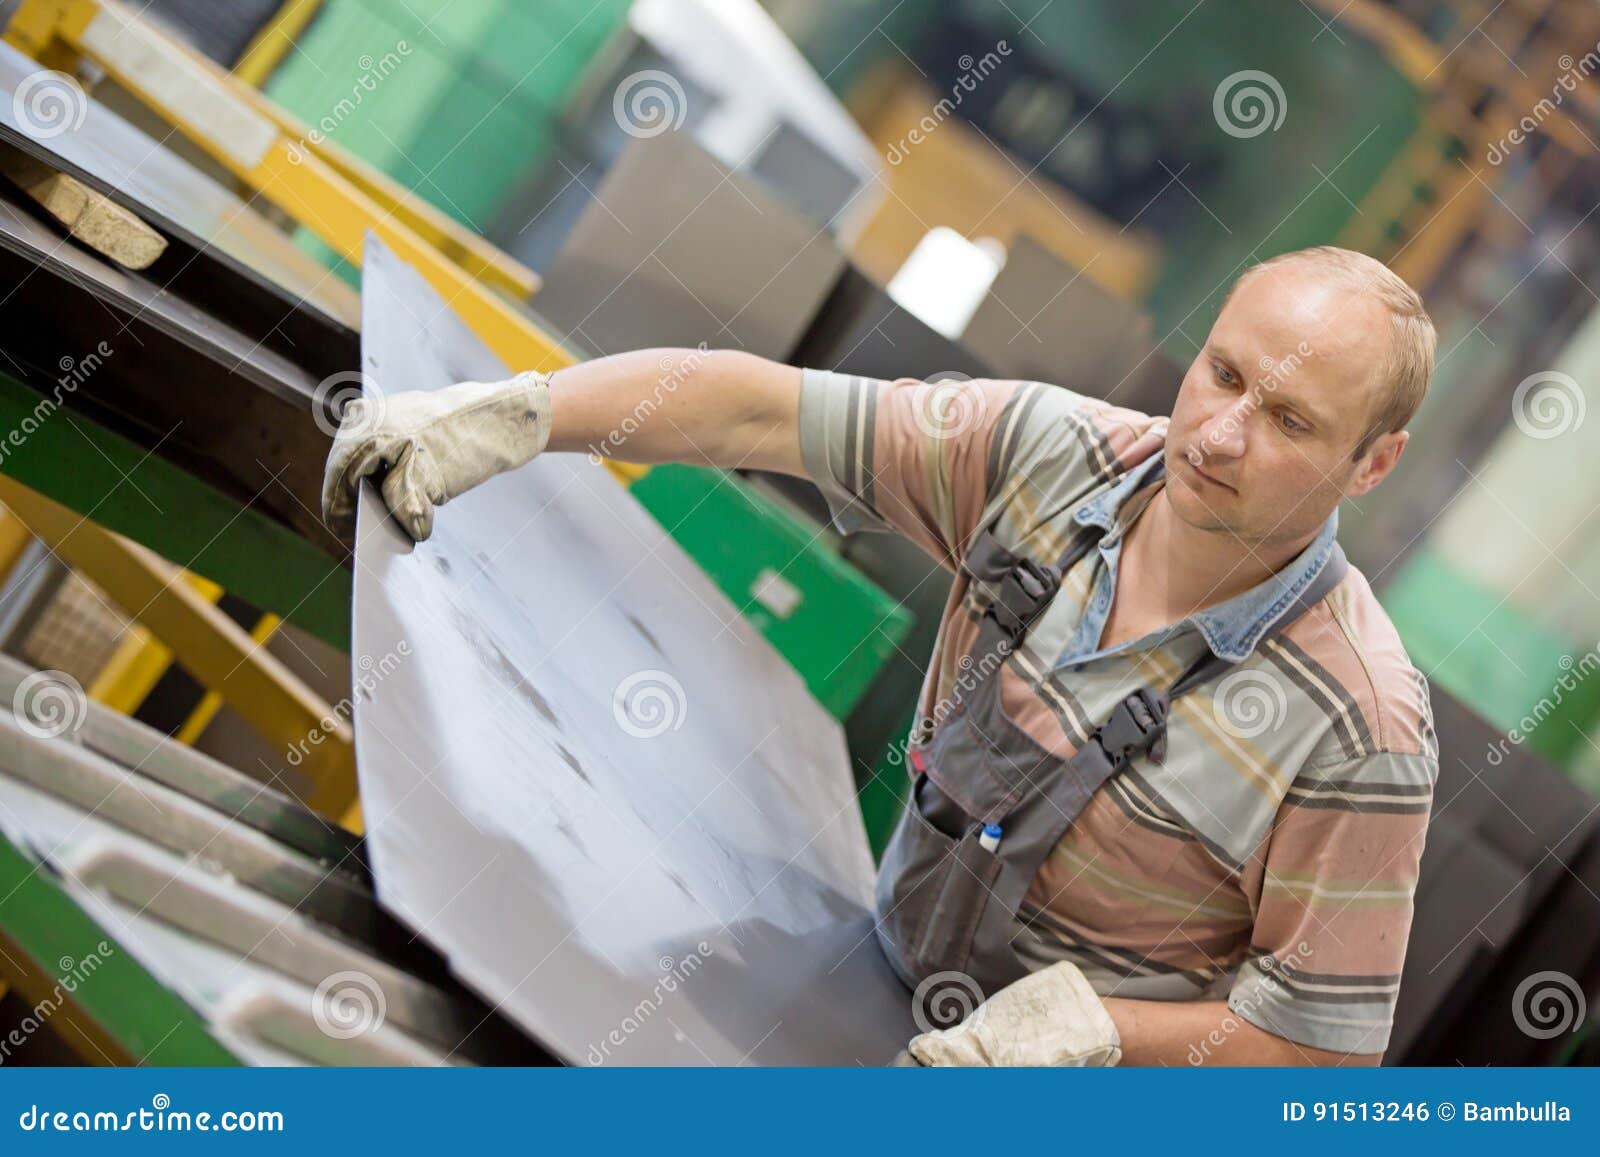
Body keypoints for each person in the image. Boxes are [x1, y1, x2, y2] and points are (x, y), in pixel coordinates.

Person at [323, 245, 1439, 1067]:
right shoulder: (1052, 459)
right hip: (871, 985)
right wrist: (511, 414)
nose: (1218, 434)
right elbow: (754, 411)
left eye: (1288, 420)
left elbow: (1317, 1058)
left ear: (1373, 463)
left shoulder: (1358, 724)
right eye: (1224, 374)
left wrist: (1093, 1028)